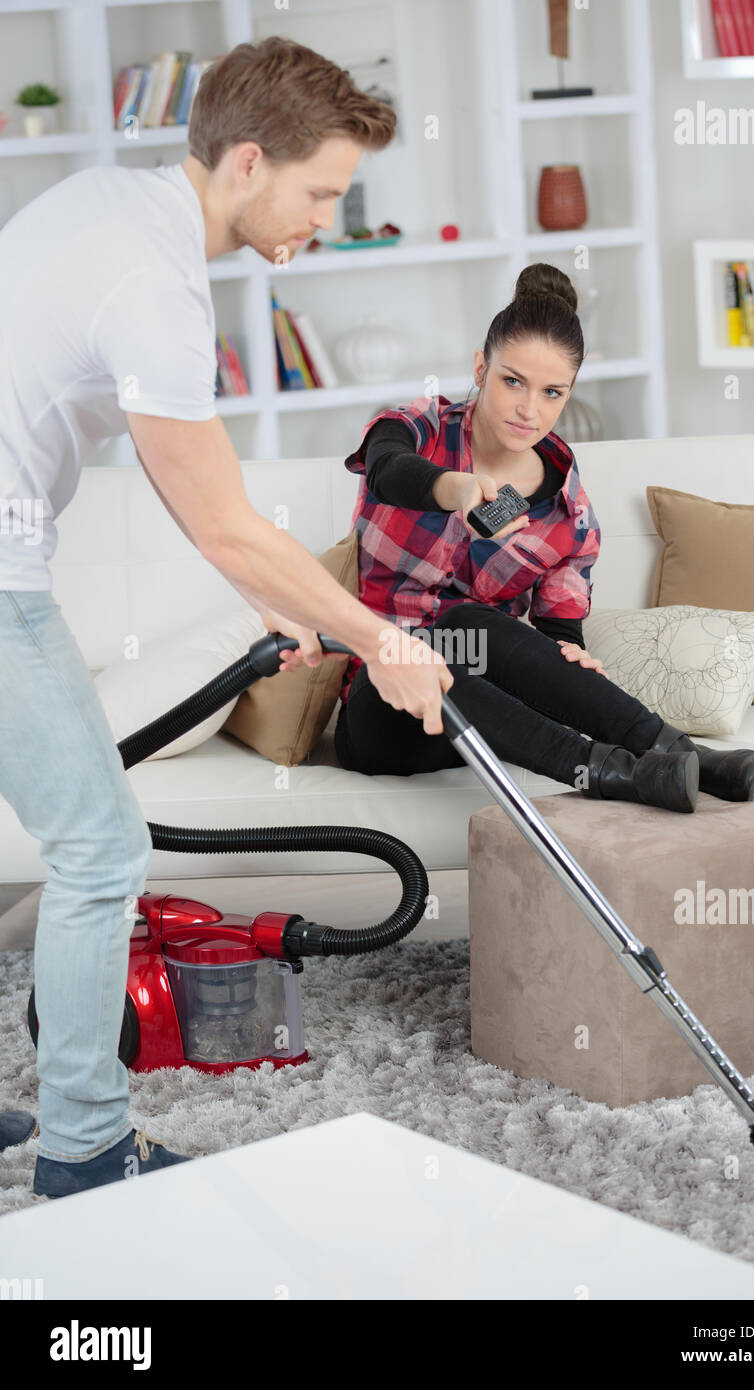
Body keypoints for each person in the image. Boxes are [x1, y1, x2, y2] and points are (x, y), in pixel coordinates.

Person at [0, 36, 451, 1197]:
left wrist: (266, 594)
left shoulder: (119, 205)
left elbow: (190, 488)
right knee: (102, 850)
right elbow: (223, 520)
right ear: (248, 161)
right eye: (320, 191)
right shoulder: (158, 286)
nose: (327, 216)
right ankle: (87, 1152)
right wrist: (381, 635)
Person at [334, 262, 754, 816]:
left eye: (551, 392)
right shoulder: (419, 426)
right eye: (512, 380)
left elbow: (558, 630)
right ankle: (616, 774)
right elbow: (386, 469)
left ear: (570, 393)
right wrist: (457, 488)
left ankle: (680, 755)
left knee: (468, 627)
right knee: (440, 637)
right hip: (383, 704)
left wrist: (568, 653)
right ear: (480, 367)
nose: (528, 410)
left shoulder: (569, 511)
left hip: (484, 709)